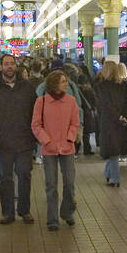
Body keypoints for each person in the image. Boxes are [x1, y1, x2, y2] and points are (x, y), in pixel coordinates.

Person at [0, 53, 37, 225]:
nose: (9, 67)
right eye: (6, 64)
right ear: (1, 67)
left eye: (12, 63)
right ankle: (7, 212)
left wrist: (32, 134)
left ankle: (24, 210)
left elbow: (35, 112)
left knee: (24, 175)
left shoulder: (27, 88)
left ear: (16, 66)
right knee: (5, 178)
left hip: (24, 141)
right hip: (3, 142)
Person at [32, 70, 81, 230]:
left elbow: (75, 123)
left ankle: (67, 212)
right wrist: (46, 141)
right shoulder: (42, 101)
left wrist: (70, 138)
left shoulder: (71, 101)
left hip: (67, 147)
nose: (67, 84)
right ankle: (52, 219)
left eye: (66, 81)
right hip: (49, 149)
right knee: (51, 185)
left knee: (69, 182)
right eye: (63, 81)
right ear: (54, 84)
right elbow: (36, 125)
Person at [94, 59, 127, 187]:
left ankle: (115, 179)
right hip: (121, 122)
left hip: (108, 122)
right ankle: (108, 173)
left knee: (112, 151)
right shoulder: (125, 85)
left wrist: (117, 116)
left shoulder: (102, 86)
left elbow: (105, 105)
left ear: (106, 70)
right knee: (115, 150)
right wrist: (124, 116)